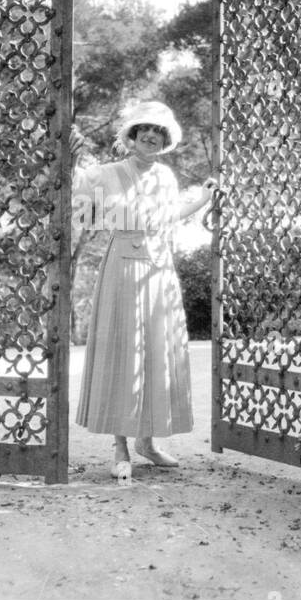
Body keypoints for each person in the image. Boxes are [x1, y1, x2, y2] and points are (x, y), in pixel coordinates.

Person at [71, 101, 215, 480]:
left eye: (158, 132)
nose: (151, 136)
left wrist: (202, 199)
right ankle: (120, 447)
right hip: (122, 268)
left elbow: (168, 216)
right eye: (144, 130)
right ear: (132, 137)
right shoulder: (107, 173)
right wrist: (69, 164)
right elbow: (79, 201)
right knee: (124, 353)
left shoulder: (166, 177)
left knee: (156, 351)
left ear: (164, 140)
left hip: (159, 269)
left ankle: (147, 443)